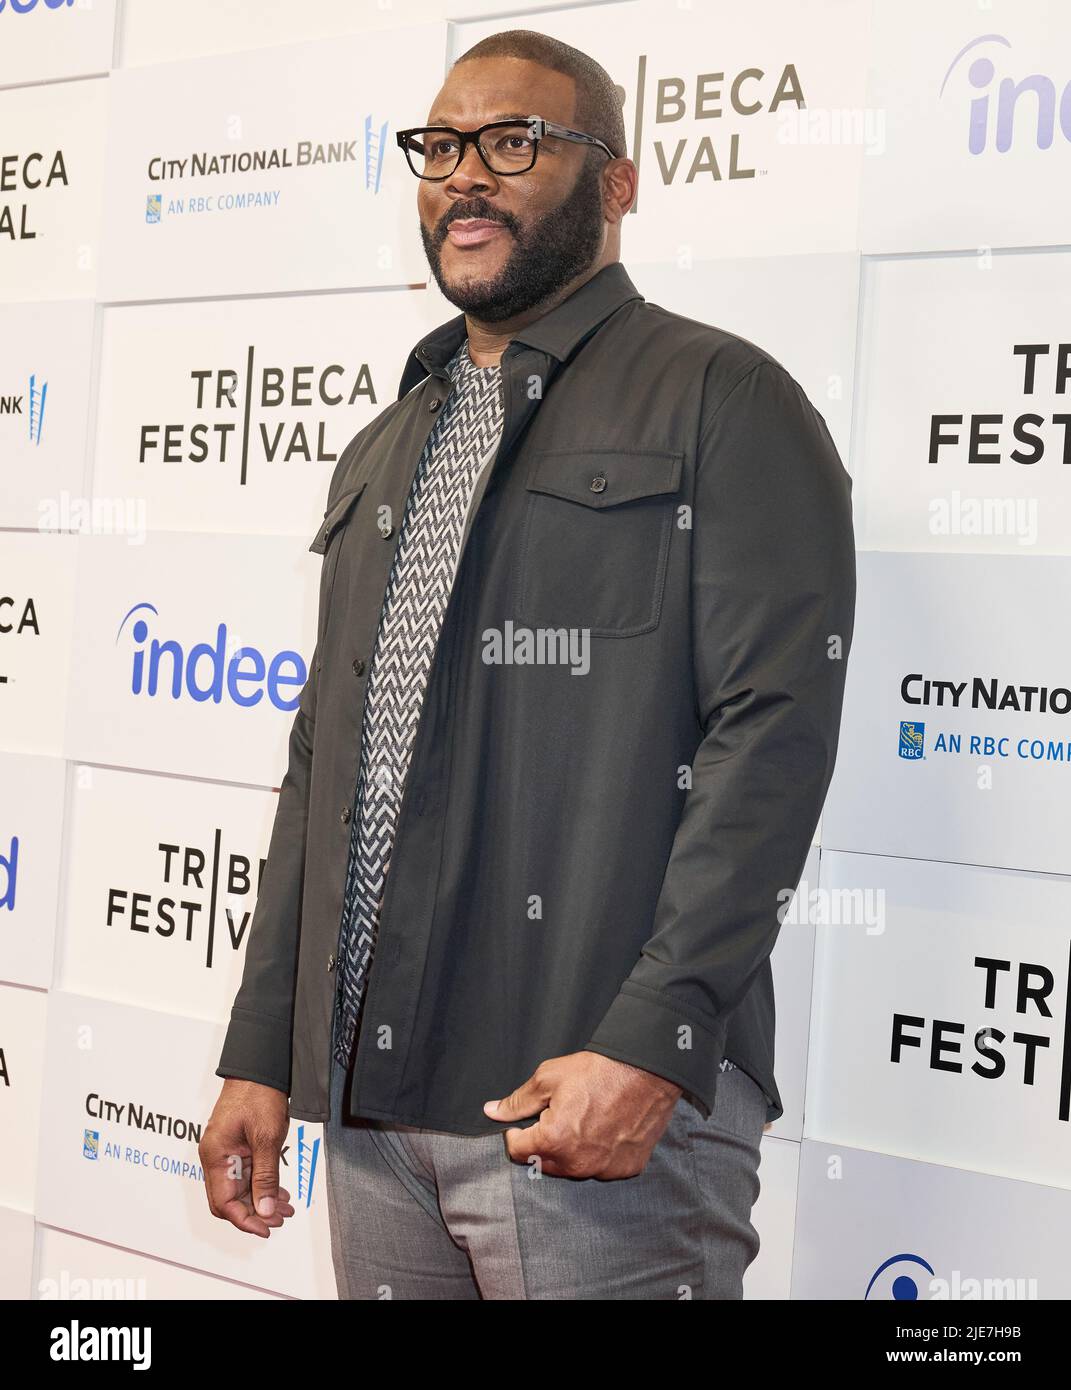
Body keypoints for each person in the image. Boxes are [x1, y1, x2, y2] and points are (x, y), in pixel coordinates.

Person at [200, 28, 857, 1300]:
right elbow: (322, 766)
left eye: (514, 143)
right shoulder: (390, 444)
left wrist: (653, 1045)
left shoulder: (724, 400)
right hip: (375, 1111)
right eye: (441, 148)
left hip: (595, 1113)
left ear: (616, 183)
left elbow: (770, 738)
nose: (466, 177)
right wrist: (263, 1047)